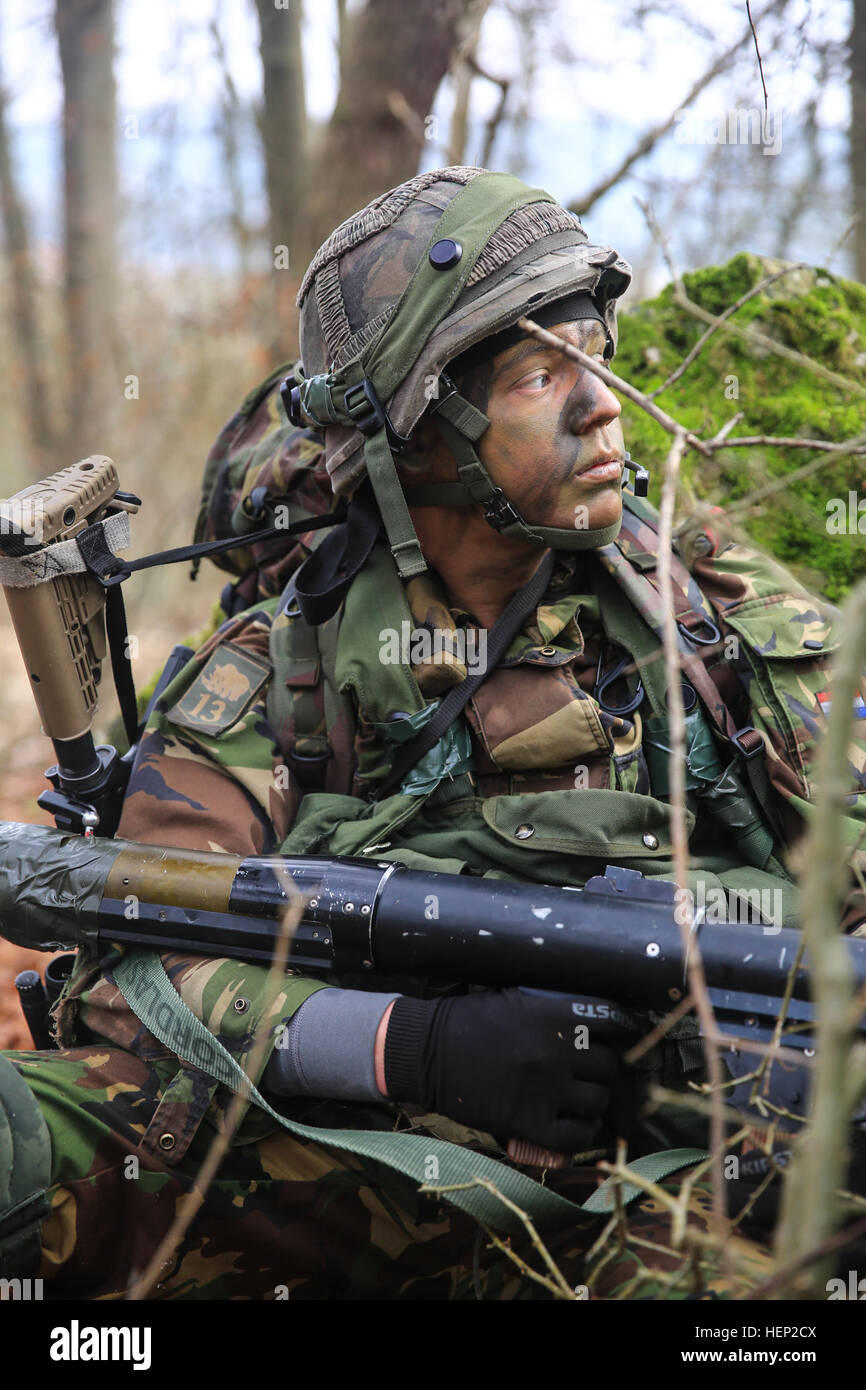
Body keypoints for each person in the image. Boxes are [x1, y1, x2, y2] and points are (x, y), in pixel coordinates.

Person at [2, 166, 864, 1301]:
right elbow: (139, 963)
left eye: (594, 350)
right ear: (420, 434)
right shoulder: (284, 668)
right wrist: (408, 1047)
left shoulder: (709, 628)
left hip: (675, 1178)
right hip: (369, 1169)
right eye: (538, 374)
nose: (602, 402)